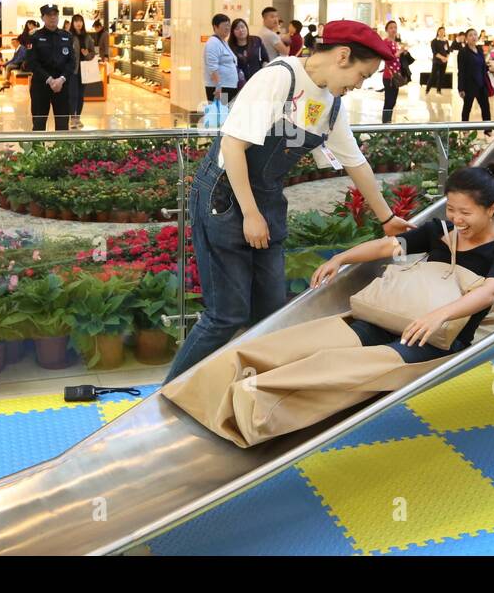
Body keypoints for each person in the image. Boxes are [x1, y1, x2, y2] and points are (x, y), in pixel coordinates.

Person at [166, 20, 414, 380]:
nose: (359, 86)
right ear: (343, 56)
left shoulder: (331, 104)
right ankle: (166, 398)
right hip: (224, 194)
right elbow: (233, 146)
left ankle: (257, 391)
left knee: (271, 314)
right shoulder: (279, 78)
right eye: (362, 75)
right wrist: (250, 214)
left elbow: (355, 162)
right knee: (227, 314)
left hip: (266, 198)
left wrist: (387, 218)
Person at [310, 163, 494, 361]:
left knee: (356, 364)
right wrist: (340, 258)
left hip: (436, 338)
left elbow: (490, 292)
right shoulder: (437, 231)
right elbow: (388, 246)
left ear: (491, 209)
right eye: (451, 209)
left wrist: (438, 316)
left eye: (465, 212)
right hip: (391, 317)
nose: (456, 219)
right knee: (317, 346)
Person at [24, 4, 77, 131]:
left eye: (55, 15)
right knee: (39, 124)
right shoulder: (34, 37)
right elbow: (31, 63)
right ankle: (38, 151)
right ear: (43, 18)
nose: (53, 18)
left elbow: (72, 62)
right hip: (41, 86)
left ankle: (61, 151)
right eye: (49, 15)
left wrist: (61, 79)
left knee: (63, 125)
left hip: (62, 87)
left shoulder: (67, 36)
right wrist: (50, 79)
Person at [203, 13, 239, 111]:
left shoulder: (223, 41)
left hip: (228, 86)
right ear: (215, 27)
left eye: (229, 26)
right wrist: (218, 87)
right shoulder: (213, 43)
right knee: (220, 117)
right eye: (224, 26)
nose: (227, 28)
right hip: (220, 89)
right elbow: (212, 67)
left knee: (226, 115)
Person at [458, 28, 491, 123]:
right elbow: (461, 71)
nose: (473, 37)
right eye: (471, 35)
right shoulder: (463, 52)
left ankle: (488, 129)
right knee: (467, 108)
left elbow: (482, 66)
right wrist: (461, 88)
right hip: (469, 86)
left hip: (481, 85)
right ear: (466, 38)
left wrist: (489, 68)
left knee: (485, 107)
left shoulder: (479, 49)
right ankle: (464, 128)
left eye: (475, 34)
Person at [68, 13, 95, 130]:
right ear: (72, 23)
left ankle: (78, 117)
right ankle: (72, 118)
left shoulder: (87, 37)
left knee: (80, 96)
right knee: (72, 95)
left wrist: (87, 54)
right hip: (72, 70)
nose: (78, 23)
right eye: (76, 21)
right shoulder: (69, 36)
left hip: (85, 70)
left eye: (80, 21)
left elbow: (93, 53)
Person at [229, 17, 270, 88]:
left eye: (242, 27)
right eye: (237, 29)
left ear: (247, 28)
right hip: (240, 85)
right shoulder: (230, 47)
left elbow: (265, 59)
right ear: (233, 32)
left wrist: (264, 74)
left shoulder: (256, 40)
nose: (241, 30)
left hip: (258, 82)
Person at [381, 19, 403, 125]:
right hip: (388, 76)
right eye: (391, 28)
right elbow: (387, 58)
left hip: (396, 76)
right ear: (387, 30)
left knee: (393, 101)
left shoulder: (395, 43)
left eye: (395, 27)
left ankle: (388, 122)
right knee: (388, 101)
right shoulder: (385, 42)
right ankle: (385, 123)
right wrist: (398, 53)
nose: (393, 29)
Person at [428, 26, 450, 95]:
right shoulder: (434, 41)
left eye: (443, 31)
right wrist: (442, 58)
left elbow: (448, 51)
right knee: (433, 75)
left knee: (441, 76)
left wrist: (446, 58)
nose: (442, 32)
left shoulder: (445, 41)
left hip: (444, 61)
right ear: (438, 32)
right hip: (436, 61)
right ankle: (427, 89)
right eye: (440, 31)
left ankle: (439, 90)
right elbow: (435, 52)